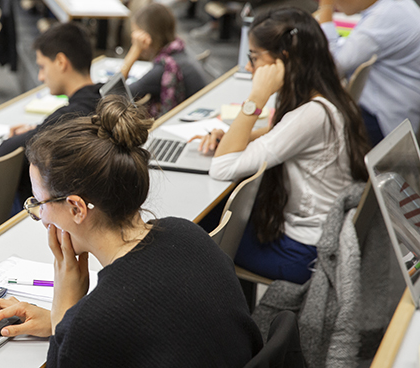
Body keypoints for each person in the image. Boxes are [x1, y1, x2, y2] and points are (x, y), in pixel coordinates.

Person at [0, 96, 263, 367]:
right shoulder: (187, 234)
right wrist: (62, 323)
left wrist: (66, 310)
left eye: (39, 203)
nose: (39, 215)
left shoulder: (95, 322)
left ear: (77, 208)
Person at [192, 8, 371, 284]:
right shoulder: (326, 97)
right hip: (315, 236)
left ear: (283, 59)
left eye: (254, 58)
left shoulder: (311, 116)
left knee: (195, 229)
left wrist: (256, 98)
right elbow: (278, 134)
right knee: (215, 213)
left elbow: (222, 167)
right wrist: (235, 137)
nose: (250, 68)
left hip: (302, 253)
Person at [0, 23, 101, 201]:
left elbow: (5, 152)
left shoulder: (68, 117)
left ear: (61, 62)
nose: (40, 77)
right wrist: (35, 129)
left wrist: (25, 135)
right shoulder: (104, 96)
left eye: (42, 67)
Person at [316, 0, 420, 145]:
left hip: (385, 122)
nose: (334, 3)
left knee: (312, 132)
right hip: (401, 111)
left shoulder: (383, 18)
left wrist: (325, 8)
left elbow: (332, 65)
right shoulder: (395, 5)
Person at [120, 3, 207, 118]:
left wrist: (134, 52)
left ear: (146, 37)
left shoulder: (165, 67)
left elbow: (115, 95)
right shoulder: (179, 52)